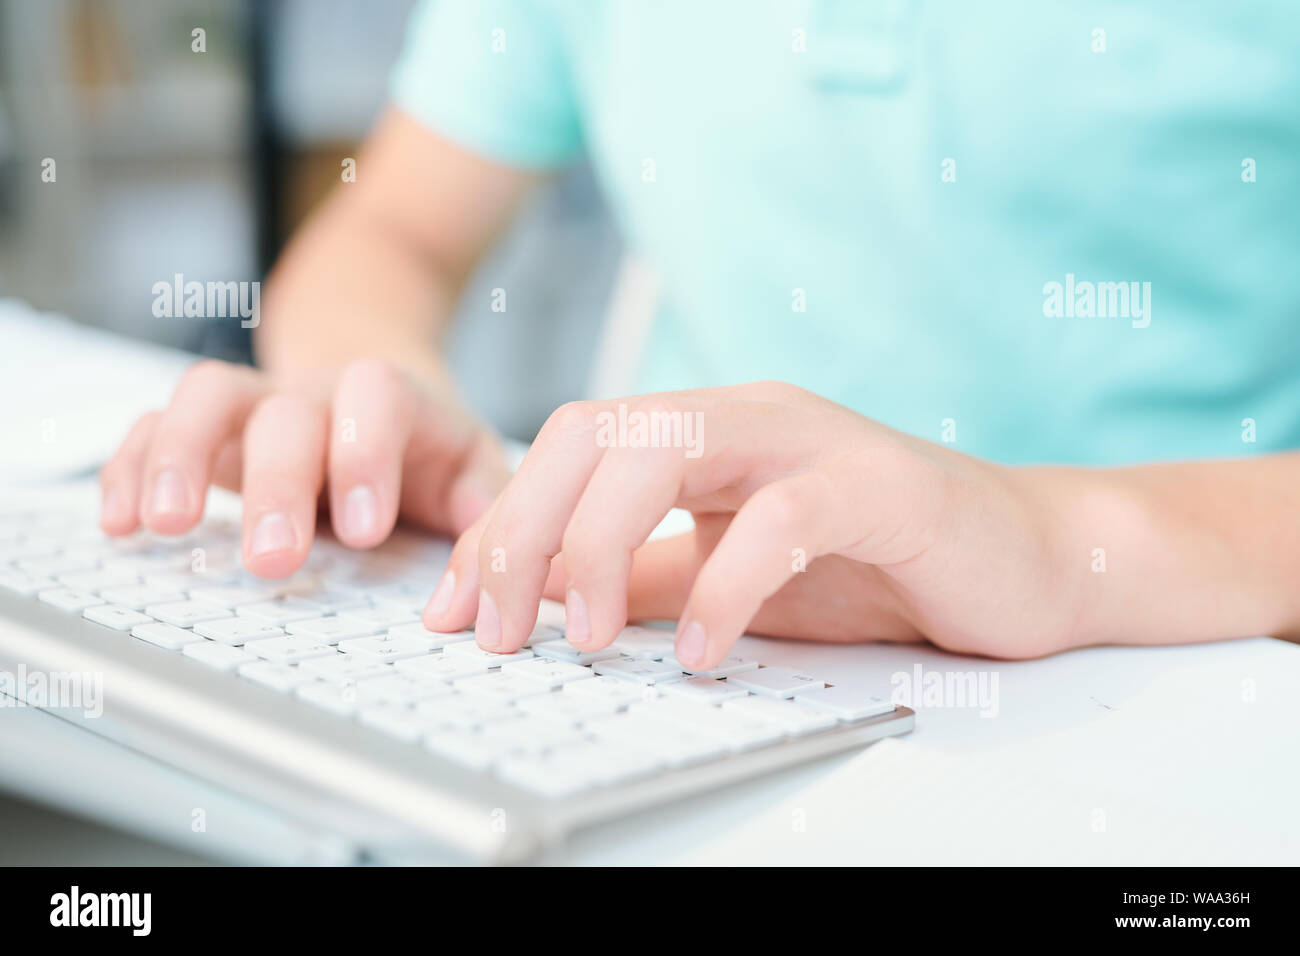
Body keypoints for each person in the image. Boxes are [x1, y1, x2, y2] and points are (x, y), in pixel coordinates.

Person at [98, 1, 1300, 670]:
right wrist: (382, 398)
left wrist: (1054, 539)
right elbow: (396, 230)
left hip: (1188, 681)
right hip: (672, 650)